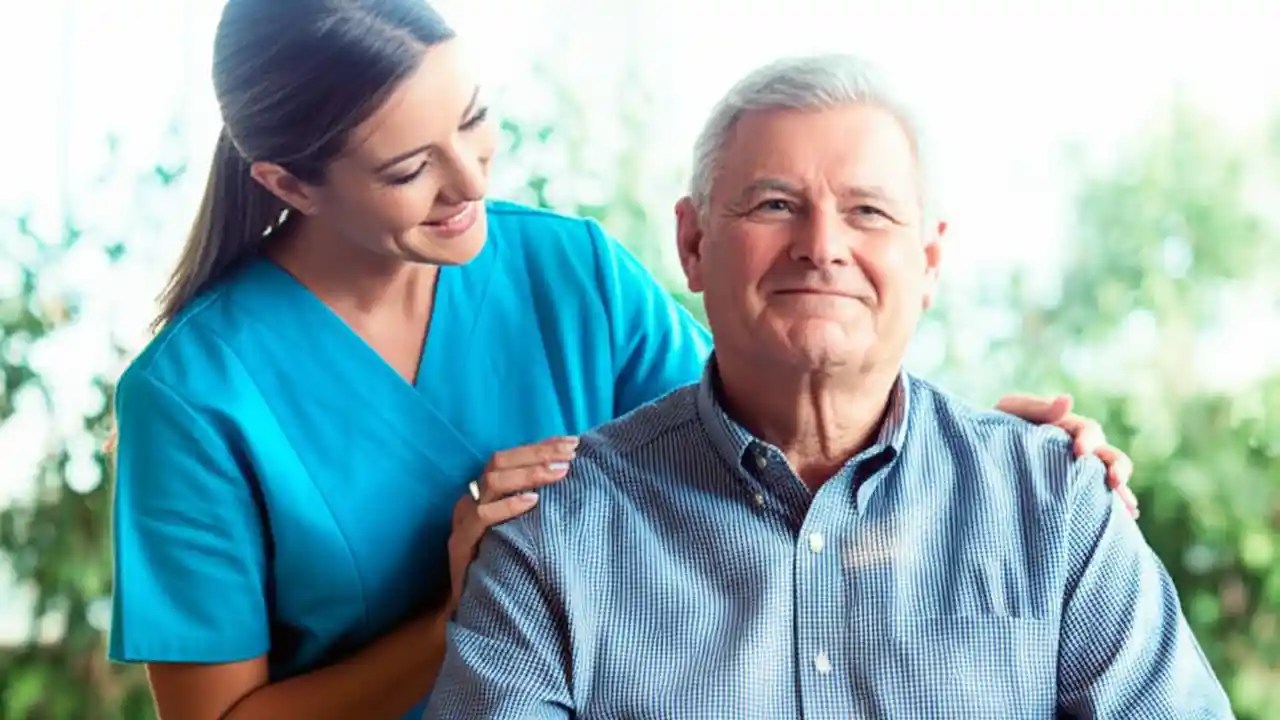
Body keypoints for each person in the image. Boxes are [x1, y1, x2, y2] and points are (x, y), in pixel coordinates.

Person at [108, 3, 1137, 719]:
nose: (471, 180)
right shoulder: (194, 397)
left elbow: (771, 433)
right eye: (411, 167)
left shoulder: (569, 273)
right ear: (290, 182)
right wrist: (455, 617)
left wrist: (988, 460)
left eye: (473, 119)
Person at [423, 54, 1232, 719]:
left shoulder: (1054, 504)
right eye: (776, 204)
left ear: (929, 262)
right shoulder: (553, 534)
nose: (821, 246)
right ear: (694, 243)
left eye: (868, 212)